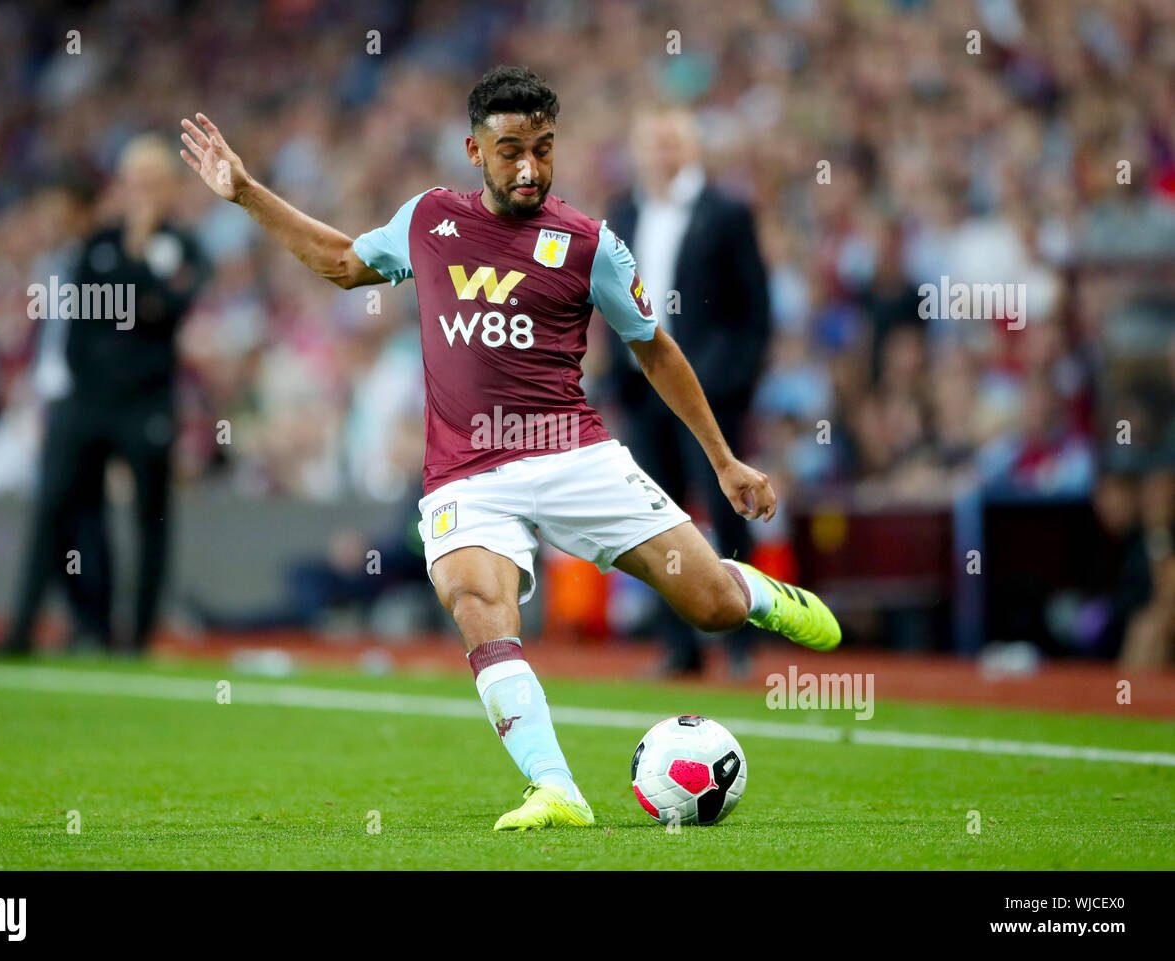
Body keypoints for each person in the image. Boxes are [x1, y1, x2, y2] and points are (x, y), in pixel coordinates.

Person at [179, 66, 840, 831]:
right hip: (467, 476)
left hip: (574, 457)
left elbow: (654, 349)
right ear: (474, 150)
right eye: (511, 150)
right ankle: (556, 787)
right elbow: (339, 262)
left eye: (543, 148)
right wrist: (245, 191)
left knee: (713, 607)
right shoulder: (428, 220)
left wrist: (724, 459)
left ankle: (760, 595)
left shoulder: (590, 244)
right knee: (474, 599)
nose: (529, 167)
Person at [0, 135, 211, 655]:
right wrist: (71, 397)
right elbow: (83, 323)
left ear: (172, 187)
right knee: (54, 508)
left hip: (147, 404)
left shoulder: (185, 247)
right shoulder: (98, 243)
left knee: (151, 519)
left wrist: (137, 256)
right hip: (88, 402)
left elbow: (170, 309)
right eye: (135, 181)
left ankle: (136, 638)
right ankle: (23, 628)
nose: (143, 192)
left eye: (154, 181)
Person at [605, 104, 772, 676]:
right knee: (657, 516)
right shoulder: (624, 209)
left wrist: (733, 383)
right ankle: (681, 645)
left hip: (711, 392)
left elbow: (754, 310)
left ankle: (743, 640)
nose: (662, 153)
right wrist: (612, 377)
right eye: (653, 142)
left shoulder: (727, 212)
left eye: (672, 141)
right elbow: (604, 297)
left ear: (692, 148)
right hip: (643, 390)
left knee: (728, 511)